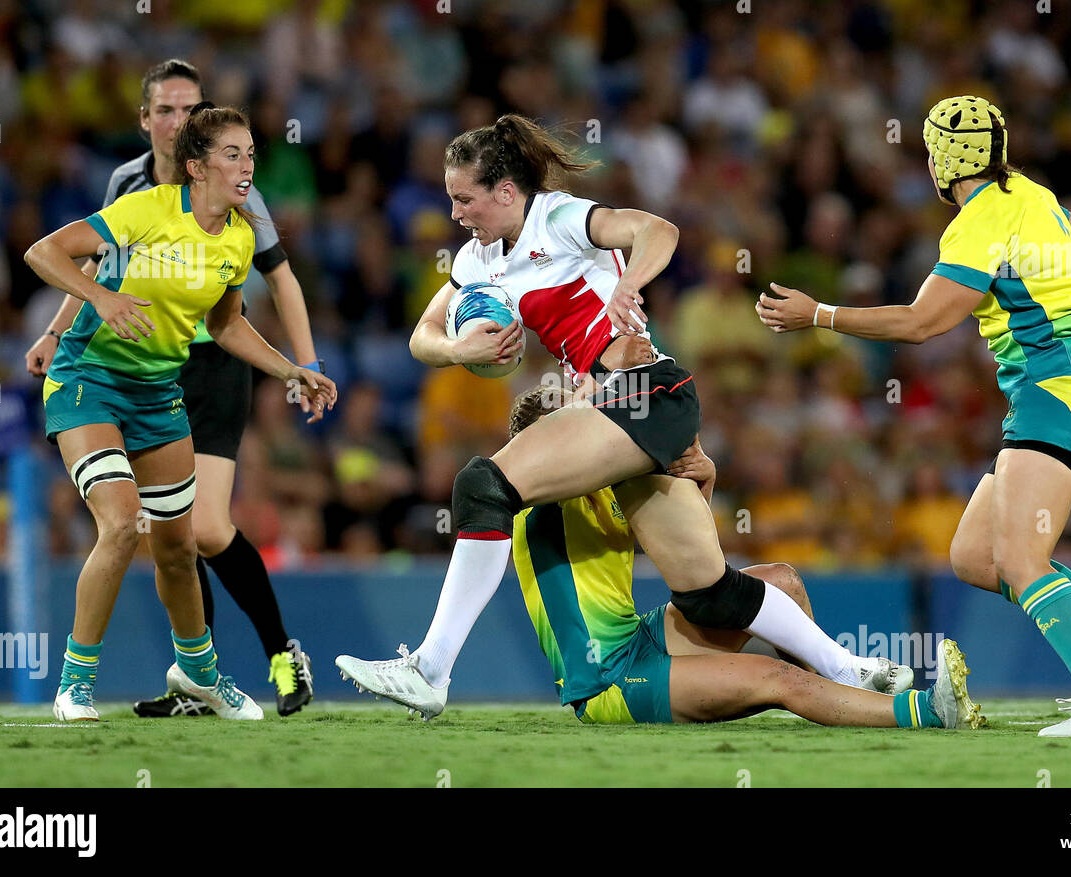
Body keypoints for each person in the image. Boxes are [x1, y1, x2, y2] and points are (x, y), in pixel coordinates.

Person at [336, 114, 923, 720]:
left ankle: (431, 668)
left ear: (506, 192)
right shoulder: (478, 260)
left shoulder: (559, 218)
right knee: (709, 594)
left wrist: (630, 284)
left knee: (483, 487)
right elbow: (421, 338)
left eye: (465, 199)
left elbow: (658, 230)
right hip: (625, 407)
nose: (456, 213)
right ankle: (855, 669)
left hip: (646, 391)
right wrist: (461, 350)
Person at [756, 95, 1071, 738]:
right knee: (975, 555)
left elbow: (921, 323)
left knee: (1021, 557)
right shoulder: (1033, 195)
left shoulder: (976, 223)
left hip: (1058, 387)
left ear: (940, 161)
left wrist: (820, 315)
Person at [24, 60, 323, 718]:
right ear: (195, 162)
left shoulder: (240, 235)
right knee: (125, 522)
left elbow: (225, 322)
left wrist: (294, 367)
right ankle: (75, 685)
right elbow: (47, 252)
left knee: (184, 542)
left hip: (169, 386)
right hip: (93, 379)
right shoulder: (139, 201)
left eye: (252, 154)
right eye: (233, 155)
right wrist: (93, 302)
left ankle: (205, 674)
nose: (248, 167)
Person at [494, 384, 979, 730]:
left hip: (639, 636)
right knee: (776, 677)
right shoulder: (534, 503)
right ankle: (924, 713)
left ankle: (841, 702)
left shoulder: (601, 487)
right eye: (562, 433)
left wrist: (702, 481)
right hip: (606, 680)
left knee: (782, 580)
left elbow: (694, 565)